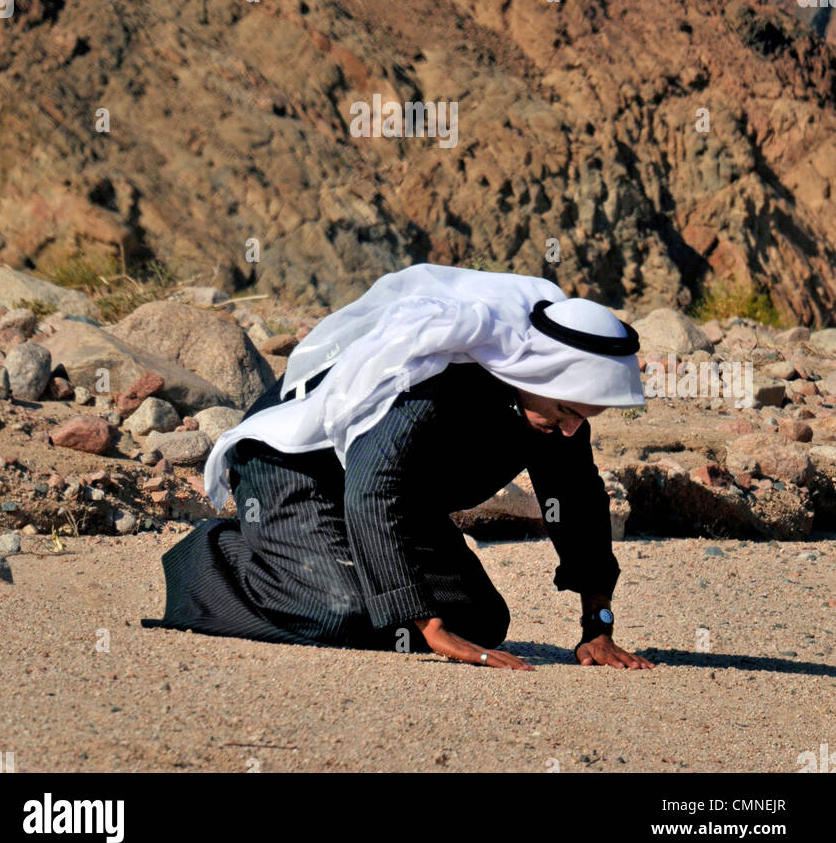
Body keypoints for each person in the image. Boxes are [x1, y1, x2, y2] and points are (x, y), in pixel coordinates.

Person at [142, 264, 655, 670]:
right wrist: (426, 624)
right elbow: (372, 488)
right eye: (568, 413)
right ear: (536, 371)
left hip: (383, 496)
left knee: (480, 620)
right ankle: (222, 553)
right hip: (292, 469)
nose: (572, 429)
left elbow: (579, 503)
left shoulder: (553, 410)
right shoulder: (429, 381)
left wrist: (597, 623)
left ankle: (321, 556)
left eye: (583, 419)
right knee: (338, 612)